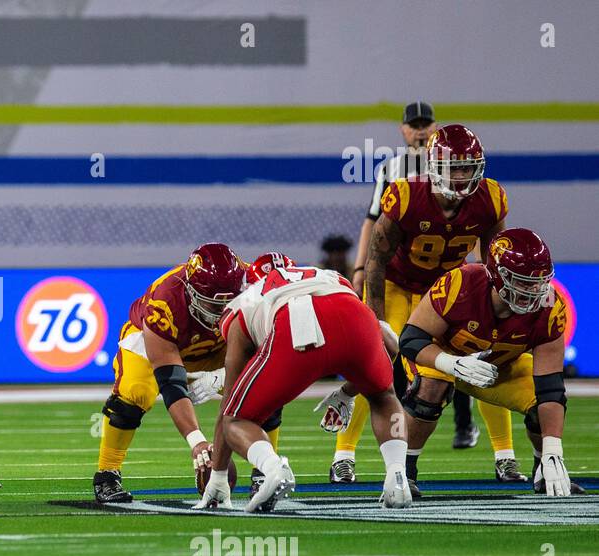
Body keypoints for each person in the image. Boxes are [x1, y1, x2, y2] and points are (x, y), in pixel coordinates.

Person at [336, 122, 521, 497]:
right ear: (435, 166)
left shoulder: (490, 199)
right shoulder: (406, 196)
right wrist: (374, 315)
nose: (462, 175)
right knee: (374, 363)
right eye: (455, 166)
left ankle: (505, 455)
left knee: (489, 360)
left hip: (450, 291)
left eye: (469, 166)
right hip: (398, 286)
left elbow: (493, 262)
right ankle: (344, 455)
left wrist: (493, 309)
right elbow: (376, 257)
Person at [197, 262, 412, 512]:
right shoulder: (329, 275)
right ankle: (398, 476)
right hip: (355, 314)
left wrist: (219, 476)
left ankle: (274, 469)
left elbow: (230, 401)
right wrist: (347, 392)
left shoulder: (242, 305)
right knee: (383, 396)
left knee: (234, 420)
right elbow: (391, 346)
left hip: (298, 323)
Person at [397, 228, 582, 496]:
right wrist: (452, 364)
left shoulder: (551, 307)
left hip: (498, 368)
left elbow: (551, 388)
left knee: (540, 404)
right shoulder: (461, 284)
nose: (534, 291)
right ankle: (404, 472)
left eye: (540, 281)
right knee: (429, 391)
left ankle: (544, 471)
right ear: (498, 275)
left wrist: (554, 451)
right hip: (442, 358)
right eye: (523, 282)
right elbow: (412, 339)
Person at [91, 243, 255, 504]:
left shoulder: (255, 282)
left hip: (220, 345)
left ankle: (263, 473)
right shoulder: (165, 301)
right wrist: (198, 442)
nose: (221, 311)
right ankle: (107, 474)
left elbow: (269, 352)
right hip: (157, 342)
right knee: (135, 395)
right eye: (212, 304)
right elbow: (171, 383)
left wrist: (223, 376)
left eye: (229, 302)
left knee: (262, 388)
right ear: (191, 292)